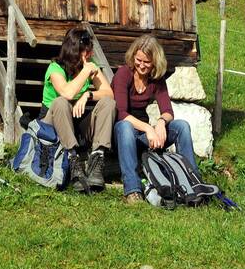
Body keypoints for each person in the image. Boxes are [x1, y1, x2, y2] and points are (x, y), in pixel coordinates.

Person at [112, 33, 202, 205]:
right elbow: (121, 112)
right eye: (139, 60)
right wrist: (148, 128)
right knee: (125, 126)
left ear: (155, 62)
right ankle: (132, 189)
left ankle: (193, 181)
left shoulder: (156, 79)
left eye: (147, 62)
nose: (142, 65)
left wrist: (161, 122)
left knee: (181, 126)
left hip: (145, 136)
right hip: (123, 137)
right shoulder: (124, 74)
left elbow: (168, 110)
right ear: (133, 56)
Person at [40, 24, 116, 193]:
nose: (90, 55)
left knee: (108, 104)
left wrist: (88, 95)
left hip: (78, 124)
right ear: (74, 50)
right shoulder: (55, 68)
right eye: (86, 51)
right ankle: (73, 160)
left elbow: (109, 93)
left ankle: (97, 160)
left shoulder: (90, 66)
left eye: (90, 51)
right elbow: (67, 93)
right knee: (60, 102)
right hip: (52, 125)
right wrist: (85, 73)